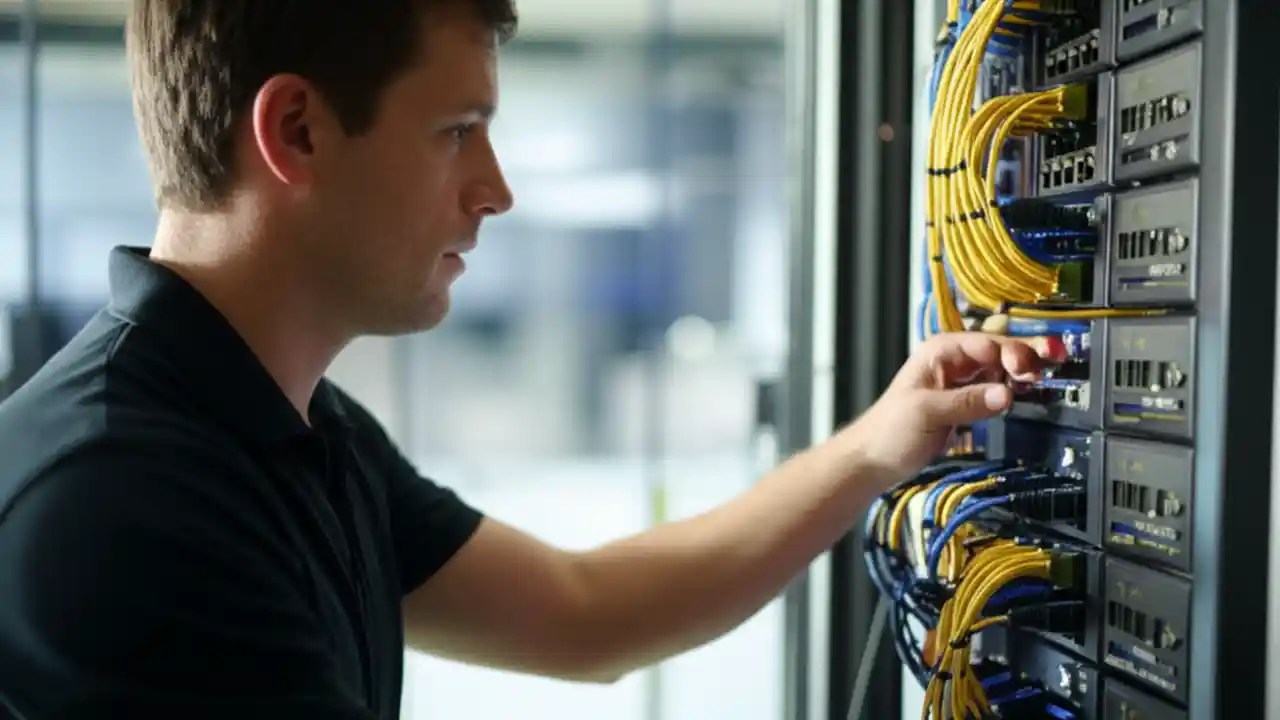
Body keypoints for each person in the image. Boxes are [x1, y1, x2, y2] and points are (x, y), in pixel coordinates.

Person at [0, 1, 1053, 718]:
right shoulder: (117, 505)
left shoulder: (290, 427)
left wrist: (879, 444)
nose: (495, 189)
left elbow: (584, 613)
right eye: (457, 129)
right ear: (297, 131)